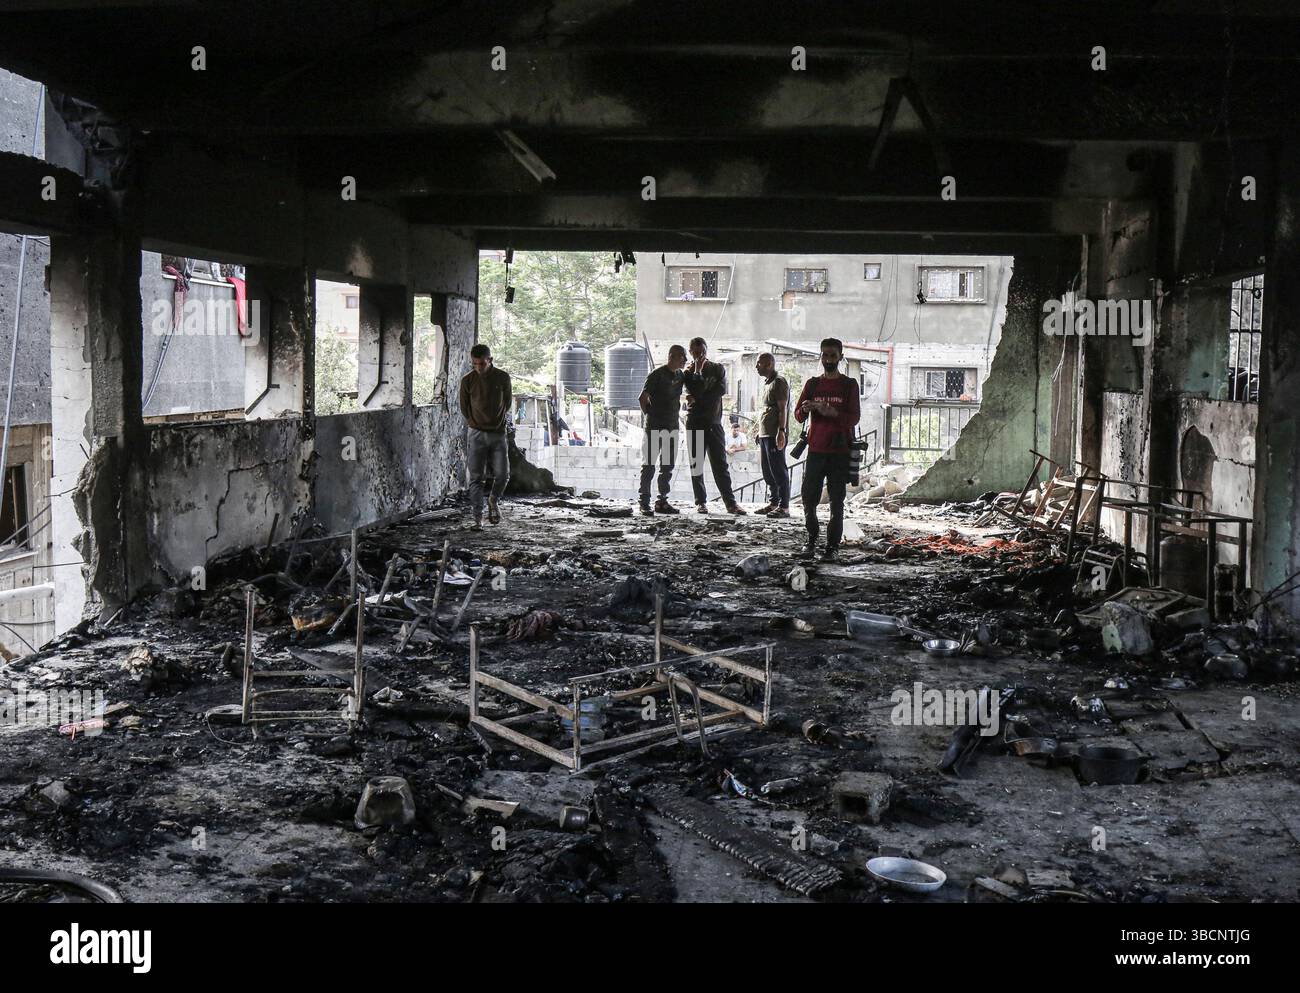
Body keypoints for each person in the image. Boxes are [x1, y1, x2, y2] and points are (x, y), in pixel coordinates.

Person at [793, 337, 860, 560]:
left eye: (833, 355)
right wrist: (805, 408)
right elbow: (797, 415)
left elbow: (854, 418)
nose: (828, 359)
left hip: (839, 452)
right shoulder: (812, 384)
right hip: (816, 450)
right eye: (825, 355)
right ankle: (811, 540)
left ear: (841, 357)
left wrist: (831, 411)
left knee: (836, 501)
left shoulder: (849, 385)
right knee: (808, 498)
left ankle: (832, 548)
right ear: (820, 356)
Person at [683, 337, 746, 515]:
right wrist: (697, 373)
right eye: (695, 352)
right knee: (696, 465)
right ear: (690, 353)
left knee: (720, 464)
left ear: (706, 350)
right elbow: (692, 390)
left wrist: (699, 397)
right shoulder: (687, 374)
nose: (698, 354)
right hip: (694, 423)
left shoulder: (717, 368)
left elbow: (720, 390)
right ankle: (701, 502)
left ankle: (730, 503)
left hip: (714, 423)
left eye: (701, 351)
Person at [458, 343, 512, 529]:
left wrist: (495, 422)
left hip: (497, 433)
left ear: (490, 360)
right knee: (476, 478)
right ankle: (477, 518)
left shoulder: (502, 377)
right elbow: (464, 407)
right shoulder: (468, 380)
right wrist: (476, 423)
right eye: (475, 364)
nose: (478, 367)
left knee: (503, 475)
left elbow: (508, 403)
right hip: (476, 434)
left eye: (482, 363)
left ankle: (493, 500)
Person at [637, 344, 687, 515]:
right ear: (672, 356)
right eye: (682, 357)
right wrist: (651, 415)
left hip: (672, 426)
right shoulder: (656, 375)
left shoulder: (680, 375)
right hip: (654, 427)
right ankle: (644, 501)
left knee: (667, 466)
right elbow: (642, 398)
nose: (685, 360)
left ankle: (662, 501)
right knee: (649, 465)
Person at [753, 352, 790, 517]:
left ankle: (784, 506)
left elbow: (783, 408)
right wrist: (758, 431)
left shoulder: (779, 382)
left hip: (775, 433)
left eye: (759, 364)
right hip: (765, 433)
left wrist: (781, 431)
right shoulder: (767, 383)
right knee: (767, 471)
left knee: (778, 470)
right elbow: (765, 411)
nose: (756, 367)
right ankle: (773, 502)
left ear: (769, 364)